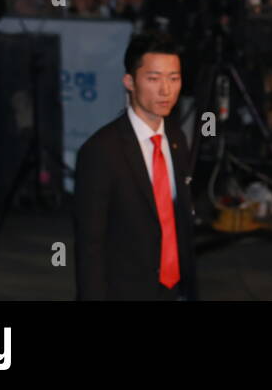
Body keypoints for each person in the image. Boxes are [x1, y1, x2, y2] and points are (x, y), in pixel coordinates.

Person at [73, 31, 198, 300]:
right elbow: (89, 245)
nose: (166, 90)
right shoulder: (101, 151)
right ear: (129, 82)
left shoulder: (177, 138)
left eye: (173, 79)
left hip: (175, 291)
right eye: (153, 79)